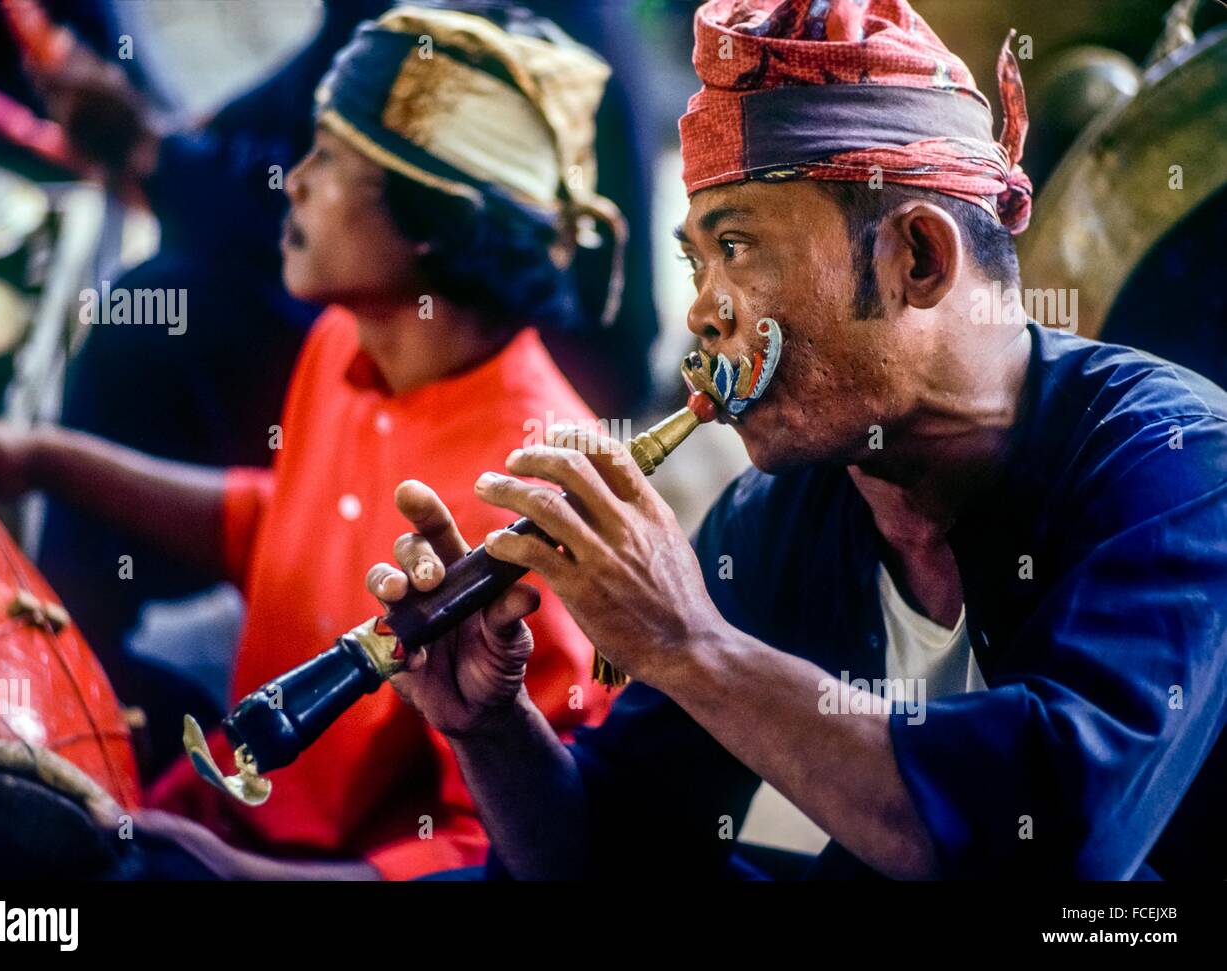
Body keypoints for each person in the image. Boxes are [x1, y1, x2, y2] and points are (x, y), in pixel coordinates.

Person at [362, 0, 1227, 879]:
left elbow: (1064, 836)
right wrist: (491, 726)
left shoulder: (1178, 460)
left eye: (737, 245)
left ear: (917, 259)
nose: (704, 308)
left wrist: (692, 644)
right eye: (698, 263)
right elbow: (616, 850)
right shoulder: (777, 512)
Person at [0, 1, 624, 879]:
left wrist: (235, 874)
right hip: (223, 781)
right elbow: (285, 535)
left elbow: (490, 852)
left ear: (427, 221)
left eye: (328, 159)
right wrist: (39, 459)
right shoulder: (346, 340)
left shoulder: (535, 490)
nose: (289, 182)